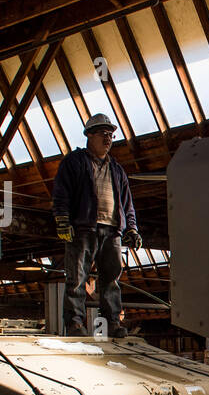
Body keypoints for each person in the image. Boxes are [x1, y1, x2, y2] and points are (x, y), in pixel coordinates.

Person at [52, 113, 142, 337]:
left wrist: (131, 228)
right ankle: (74, 324)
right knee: (77, 277)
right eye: (103, 134)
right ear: (89, 136)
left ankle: (113, 323)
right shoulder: (74, 163)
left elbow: (127, 203)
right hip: (83, 229)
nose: (108, 139)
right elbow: (61, 193)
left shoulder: (117, 170)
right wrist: (62, 220)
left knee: (111, 279)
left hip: (112, 231)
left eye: (111, 135)